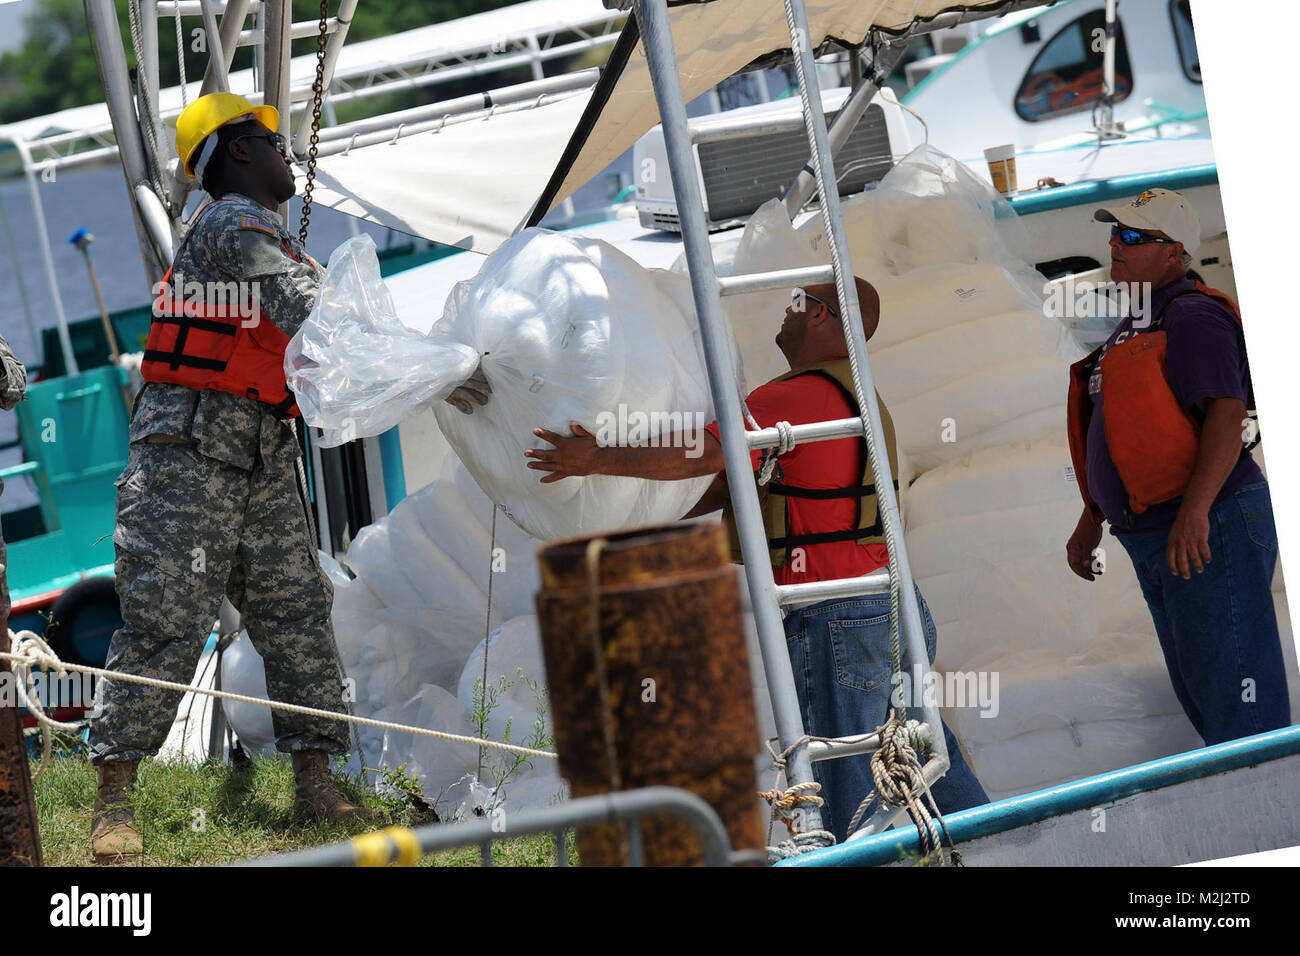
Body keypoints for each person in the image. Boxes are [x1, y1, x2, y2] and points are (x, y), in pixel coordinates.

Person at [523, 277, 987, 842]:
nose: (785, 312)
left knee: (850, 792)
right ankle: (1002, 846)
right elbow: (734, 484)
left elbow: (709, 449)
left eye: (797, 302)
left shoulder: (795, 396)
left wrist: (595, 456)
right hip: (893, 606)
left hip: (838, 616)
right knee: (930, 757)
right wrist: (627, 510)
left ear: (821, 317)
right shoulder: (852, 392)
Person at [88, 93, 362, 864]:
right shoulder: (229, 224)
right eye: (276, 143)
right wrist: (405, 353)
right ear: (238, 153)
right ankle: (113, 800)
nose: (290, 157)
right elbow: (301, 309)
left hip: (261, 455)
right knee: (166, 618)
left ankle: (315, 782)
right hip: (189, 456)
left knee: (296, 612)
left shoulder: (265, 233)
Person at [1065, 187, 1291, 746]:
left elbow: (1225, 414)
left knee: (1239, 703)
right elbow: (1126, 430)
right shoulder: (1139, 322)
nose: (1117, 243)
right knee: (1204, 690)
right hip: (1160, 531)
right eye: (1116, 233)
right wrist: (1092, 516)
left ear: (1175, 253)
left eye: (1135, 236)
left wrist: (1196, 513)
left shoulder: (1191, 315)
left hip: (1206, 526)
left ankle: (1271, 813)